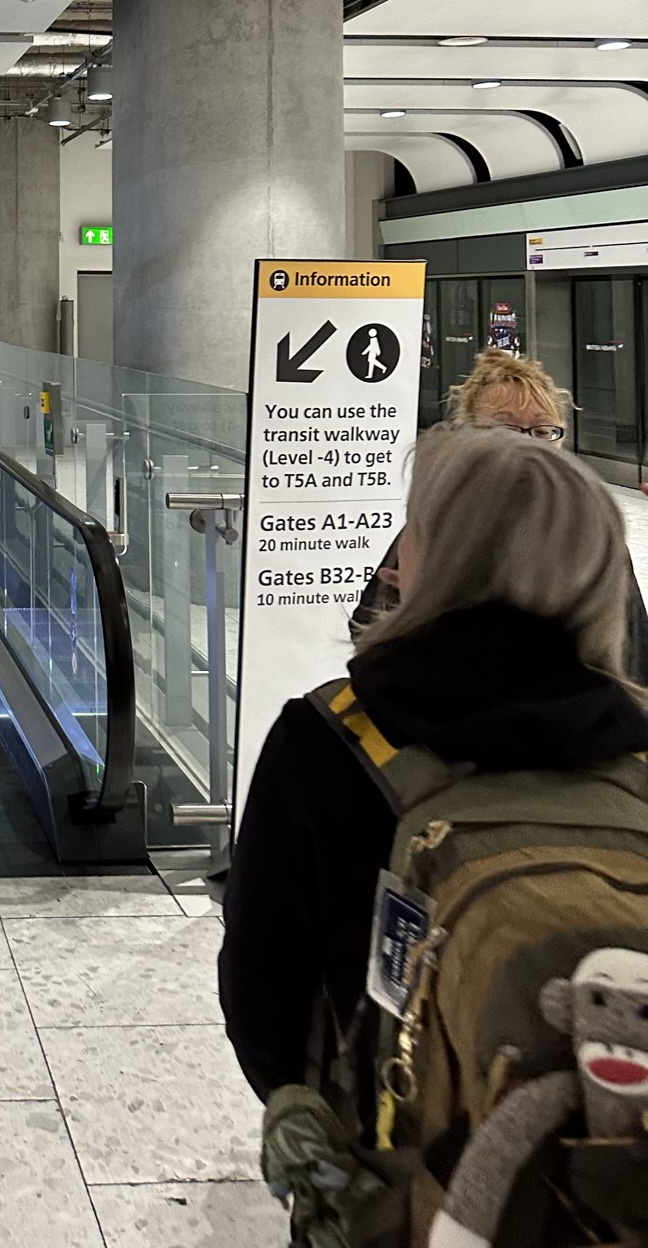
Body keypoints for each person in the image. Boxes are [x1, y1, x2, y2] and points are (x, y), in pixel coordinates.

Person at [220, 423, 648, 1117]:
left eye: (412, 528)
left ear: (442, 559)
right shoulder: (637, 745)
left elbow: (262, 1004)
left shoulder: (325, 741)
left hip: (405, 1173)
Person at [351, 349, 648, 677]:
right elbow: (371, 636)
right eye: (505, 430)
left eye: (542, 431)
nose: (527, 446)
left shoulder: (591, 534)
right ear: (468, 438)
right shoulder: (433, 527)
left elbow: (633, 657)